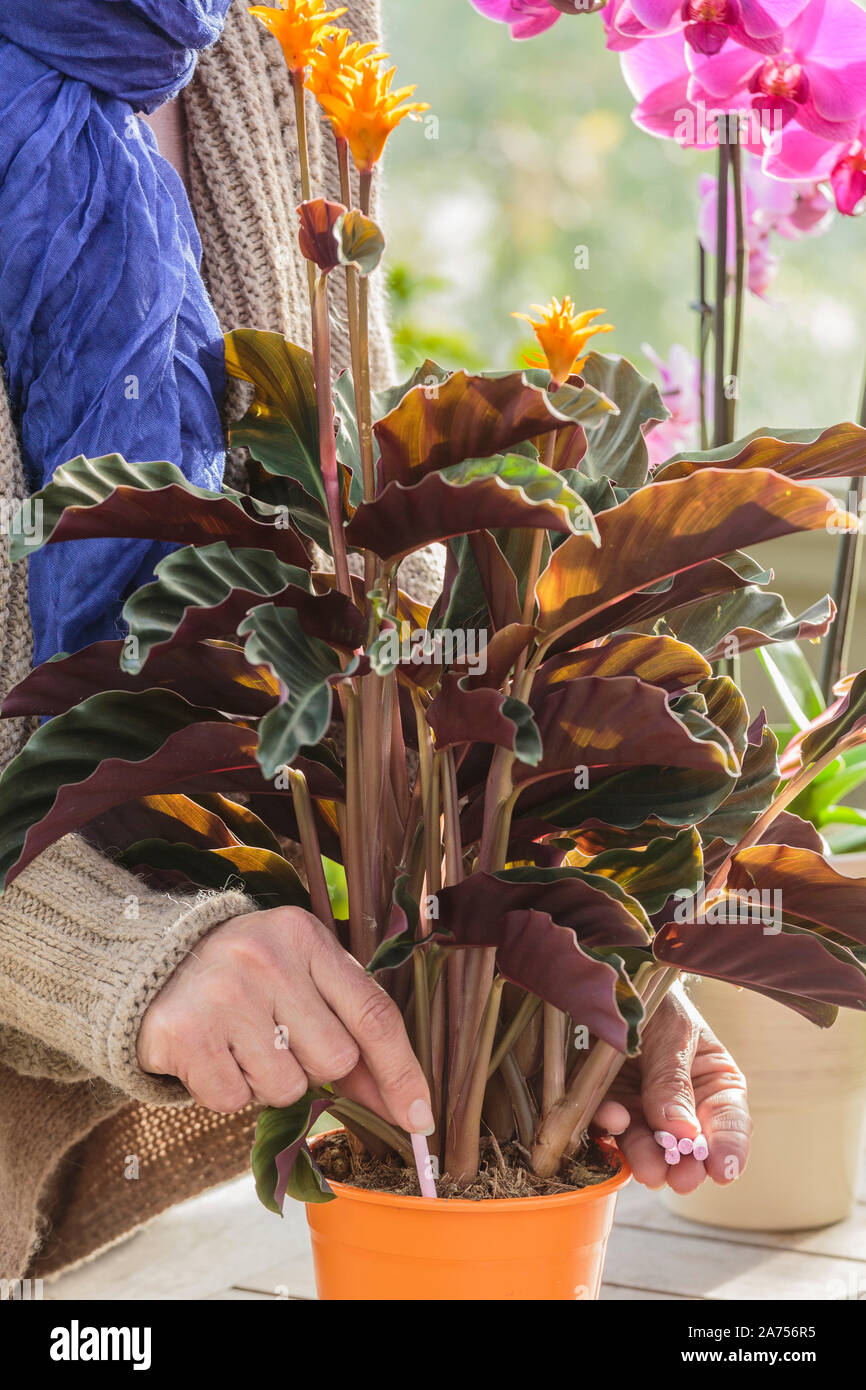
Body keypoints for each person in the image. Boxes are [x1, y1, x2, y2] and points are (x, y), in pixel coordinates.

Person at [0, 0, 750, 1286]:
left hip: (141, 1199)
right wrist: (123, 952)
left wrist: (554, 961)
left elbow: (363, 566)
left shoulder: (268, 23)